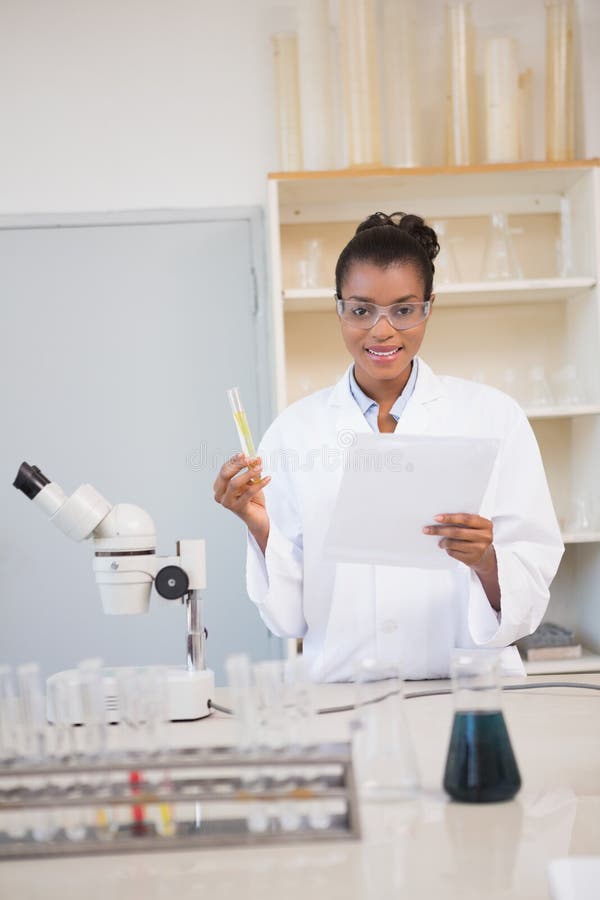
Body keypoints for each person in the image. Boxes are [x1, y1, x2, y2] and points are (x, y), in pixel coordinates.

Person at [214, 212, 564, 681]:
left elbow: (530, 588)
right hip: (344, 692)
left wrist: (487, 561)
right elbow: (288, 620)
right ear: (339, 309)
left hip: (469, 691)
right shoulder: (294, 432)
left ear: (428, 307)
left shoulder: (495, 417)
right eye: (361, 311)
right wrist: (260, 528)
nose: (382, 331)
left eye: (403, 310)